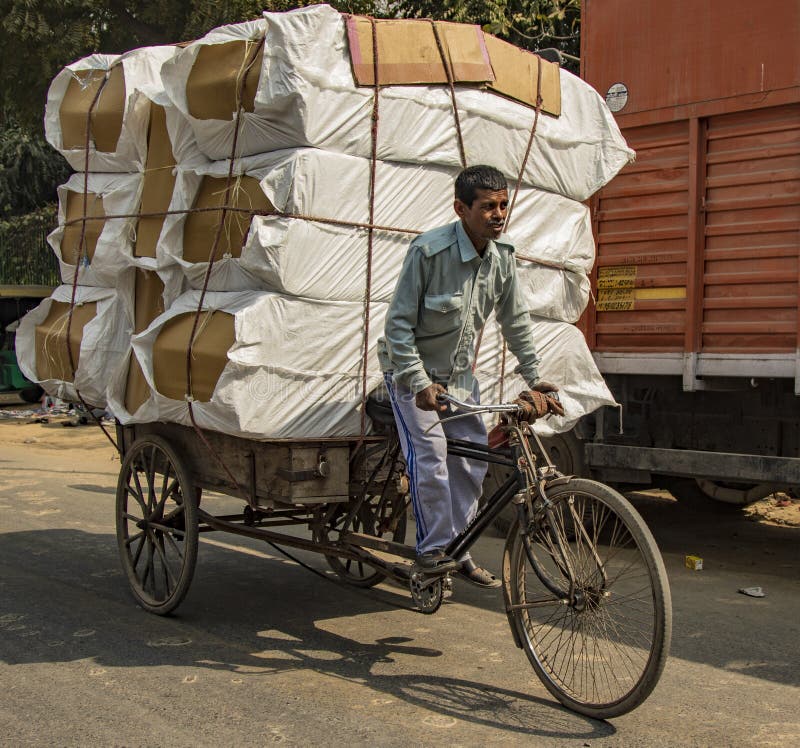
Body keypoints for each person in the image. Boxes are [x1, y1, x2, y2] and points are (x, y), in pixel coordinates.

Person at [377, 164, 563, 588]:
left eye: (503, 206)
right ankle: (432, 552)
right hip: (412, 377)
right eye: (487, 207)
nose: (498, 214)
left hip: (459, 379)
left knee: (472, 462)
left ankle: (457, 547)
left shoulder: (502, 259)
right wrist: (419, 382)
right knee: (432, 459)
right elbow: (398, 327)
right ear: (461, 208)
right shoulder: (429, 252)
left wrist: (534, 378)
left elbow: (515, 322)